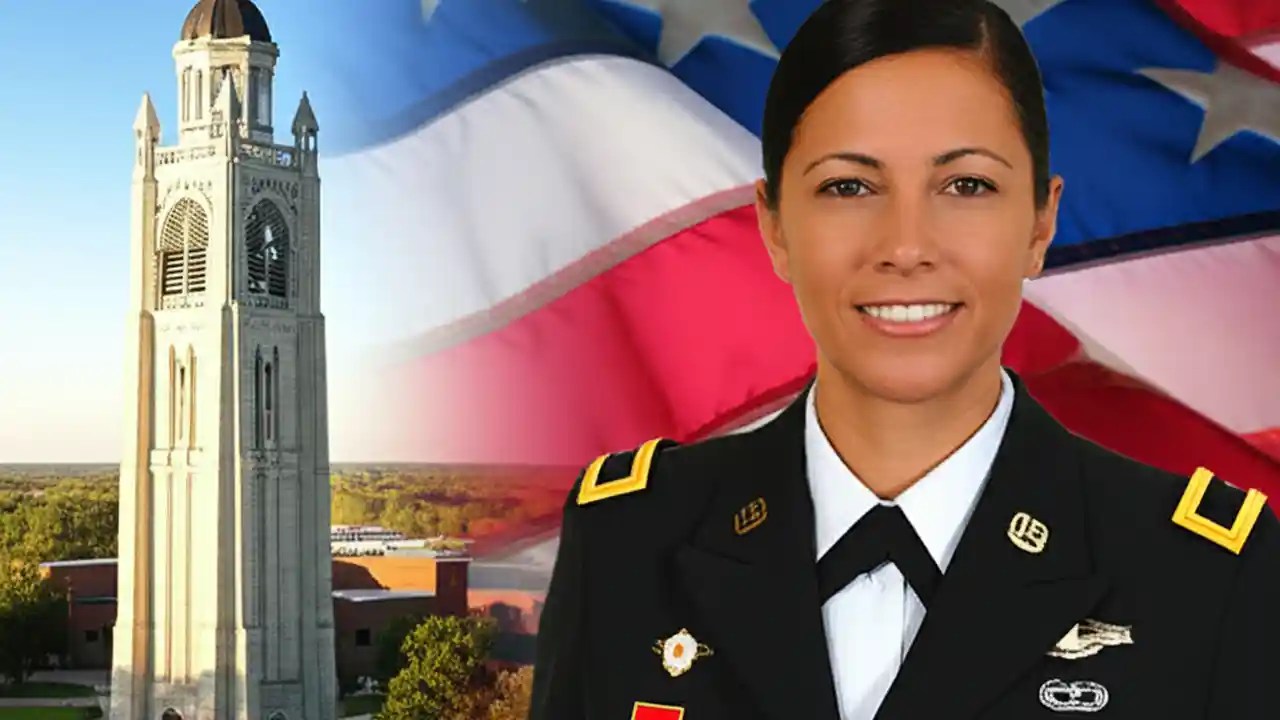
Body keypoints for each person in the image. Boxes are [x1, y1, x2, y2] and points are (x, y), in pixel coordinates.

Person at [528, 0, 1280, 717]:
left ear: (1040, 223)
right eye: (849, 186)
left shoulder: (1202, 576)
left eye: (967, 185)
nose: (906, 246)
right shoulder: (630, 541)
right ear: (775, 226)